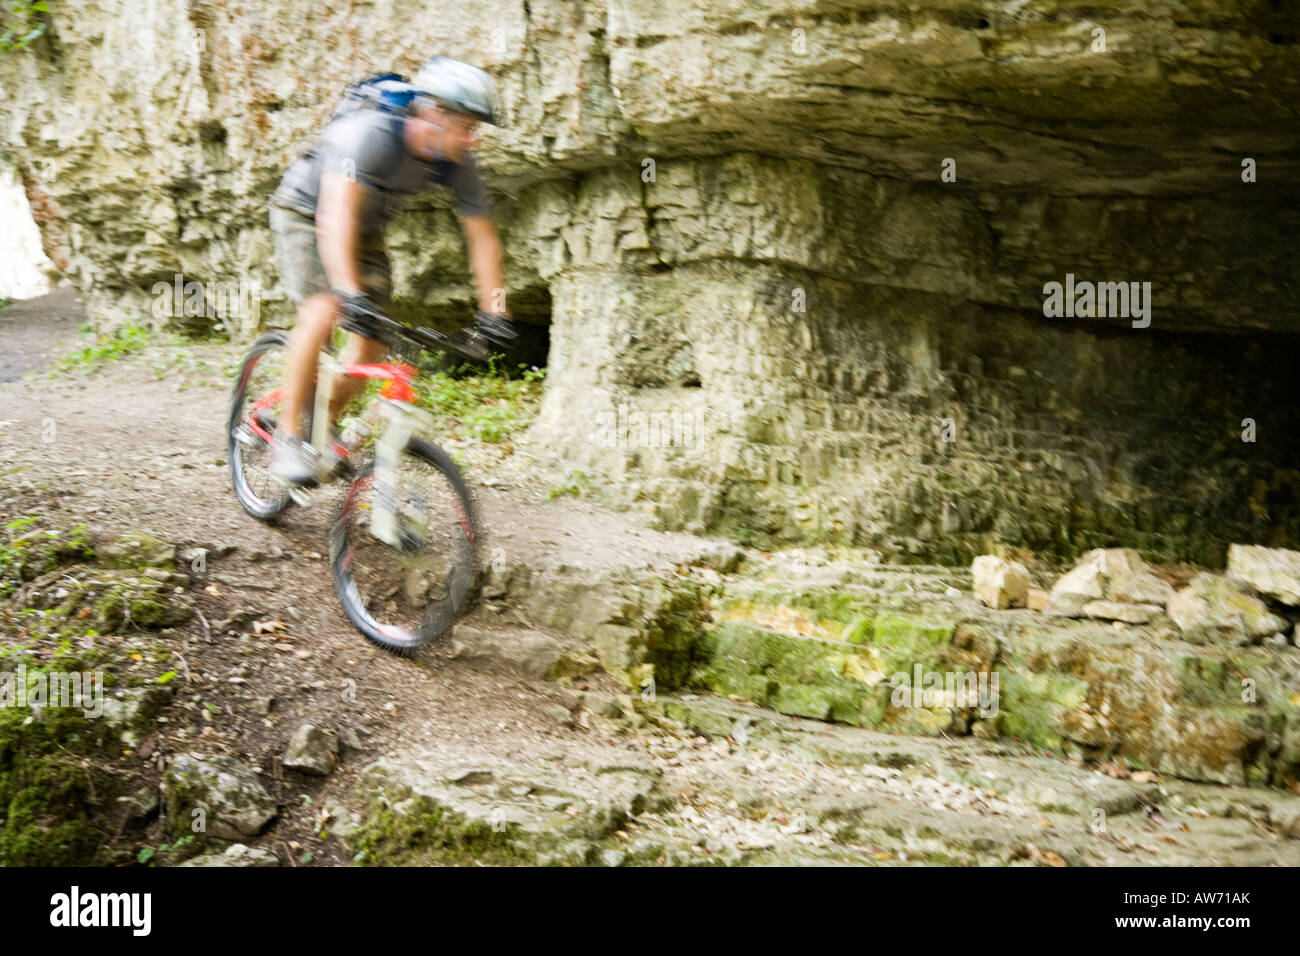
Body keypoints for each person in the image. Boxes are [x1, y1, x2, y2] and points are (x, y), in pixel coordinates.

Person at [266, 54, 515, 484]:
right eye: (468, 127)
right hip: (308, 213)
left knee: (372, 344)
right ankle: (287, 440)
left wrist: (496, 312)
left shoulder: (456, 163)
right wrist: (348, 292)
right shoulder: (370, 133)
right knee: (324, 310)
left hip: (362, 230)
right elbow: (334, 216)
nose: (473, 140)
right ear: (435, 112)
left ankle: (319, 430)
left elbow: (483, 238)